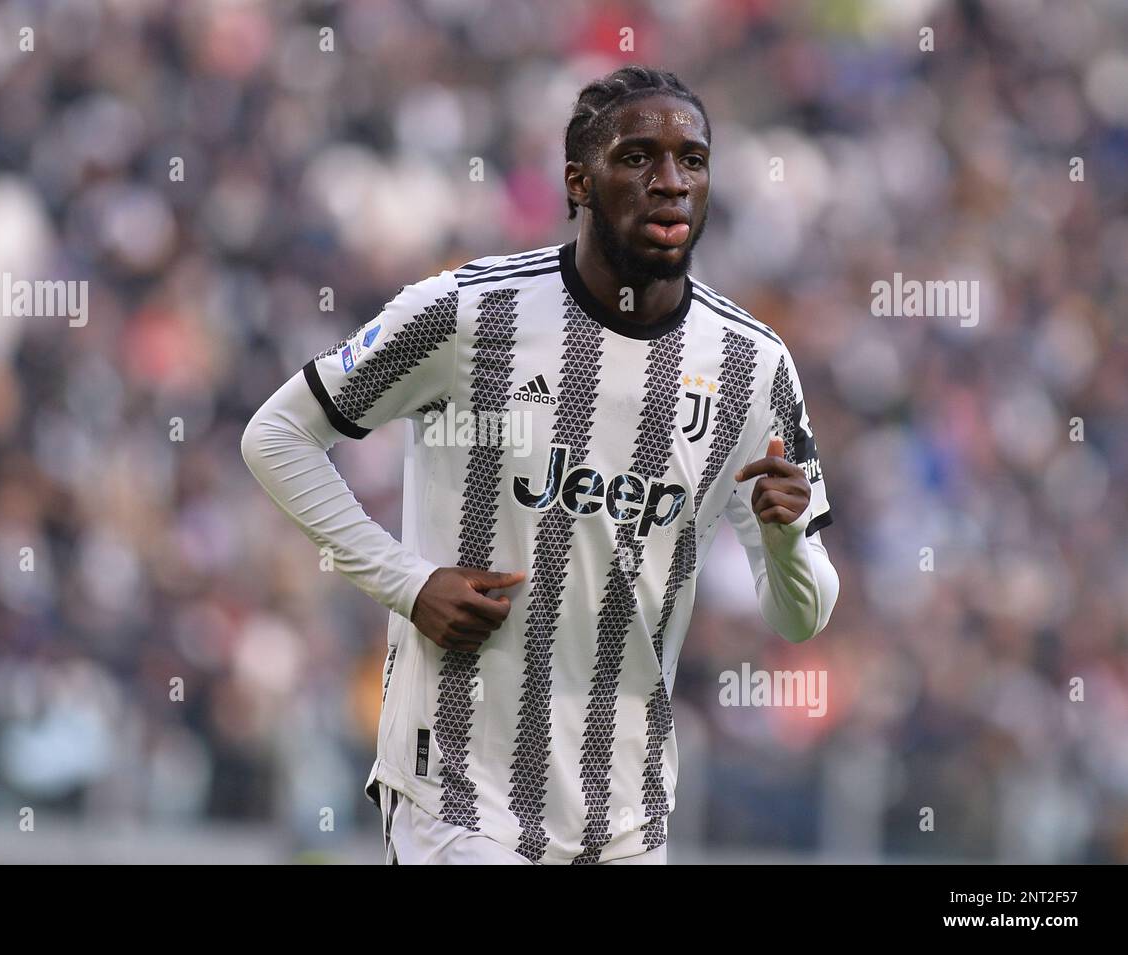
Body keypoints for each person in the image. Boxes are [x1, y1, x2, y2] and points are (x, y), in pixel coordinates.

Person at [241, 65, 838, 865]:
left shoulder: (752, 365)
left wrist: (787, 537)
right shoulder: (466, 313)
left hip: (627, 817)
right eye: (638, 158)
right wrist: (407, 583)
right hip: (455, 795)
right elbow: (276, 435)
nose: (670, 182)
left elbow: (802, 616)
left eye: (691, 161)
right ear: (578, 182)